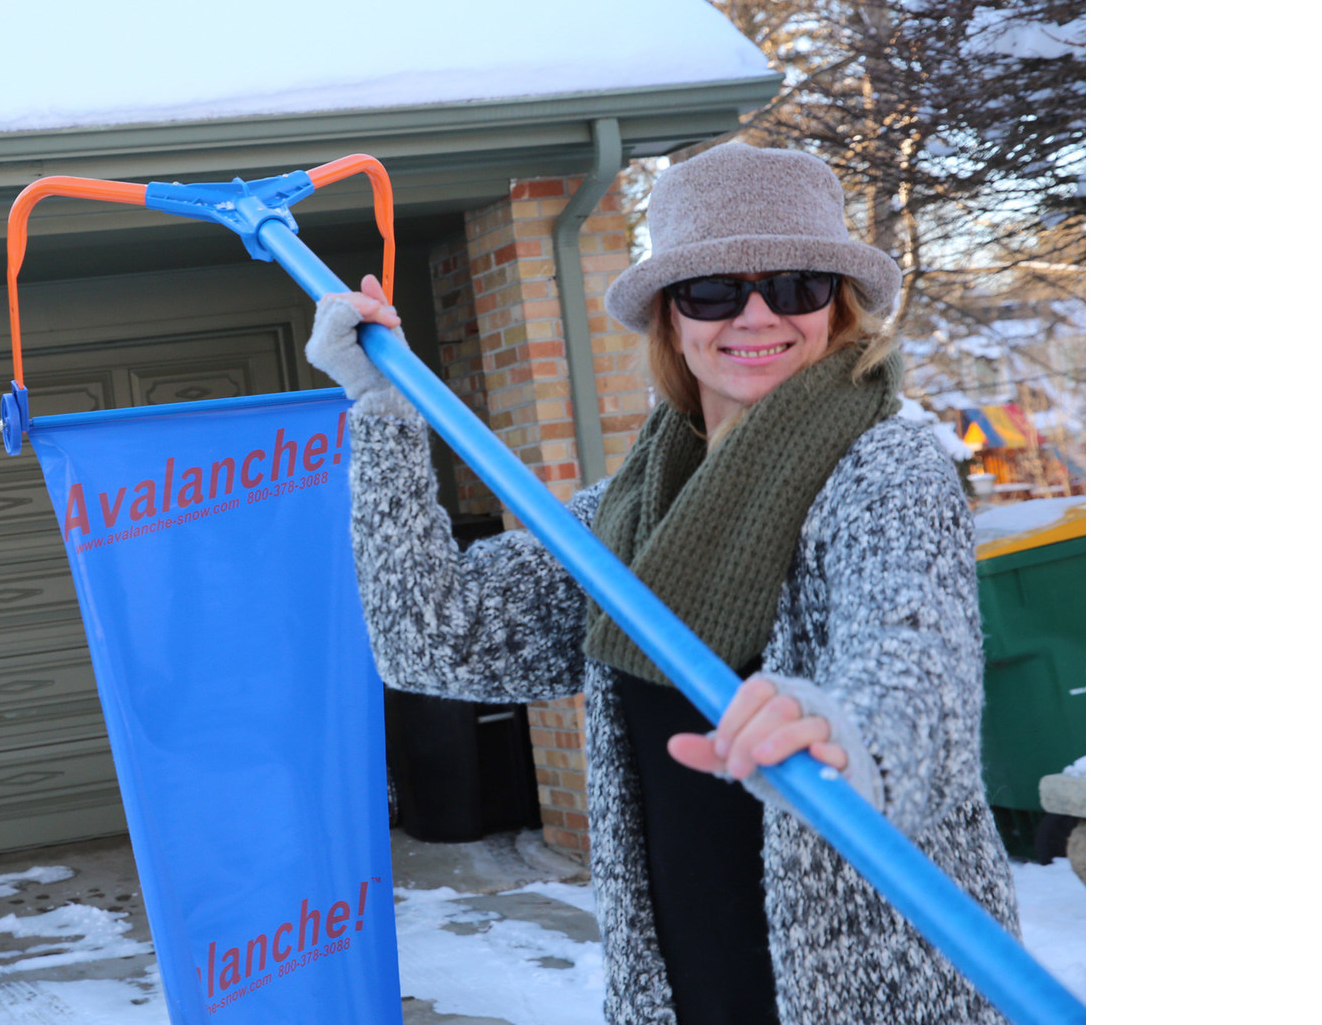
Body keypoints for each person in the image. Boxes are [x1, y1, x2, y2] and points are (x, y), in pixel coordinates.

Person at [304, 141, 1020, 1025]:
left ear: (840, 310)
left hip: (883, 992)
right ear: (671, 319)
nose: (757, 316)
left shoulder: (887, 467)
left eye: (796, 285)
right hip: (686, 984)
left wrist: (846, 731)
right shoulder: (633, 512)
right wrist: (382, 413)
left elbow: (917, 657)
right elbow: (435, 640)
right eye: (713, 290)